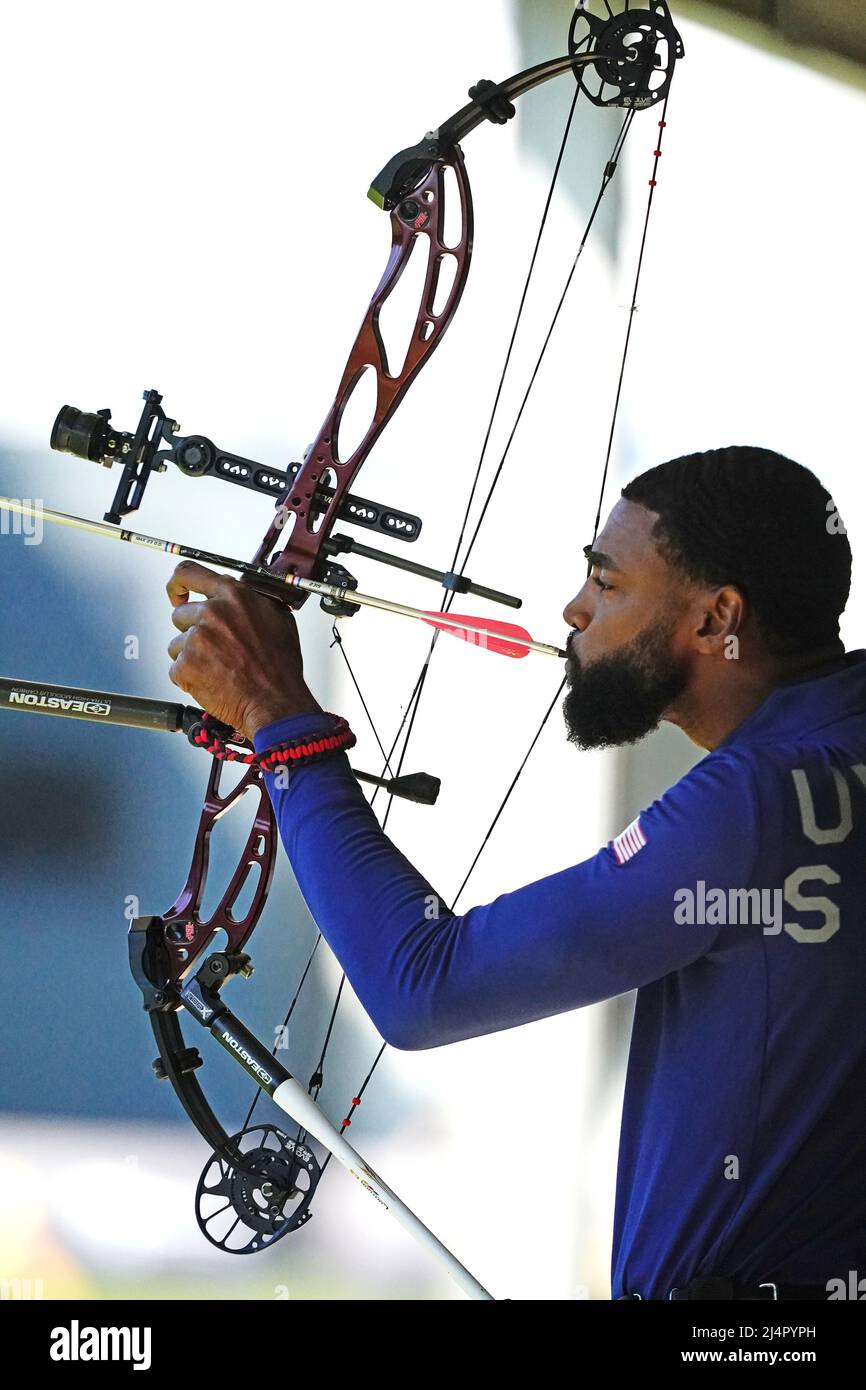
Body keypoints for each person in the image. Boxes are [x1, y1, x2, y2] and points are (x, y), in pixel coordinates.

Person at [165, 445, 865, 1301]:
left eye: (607, 584)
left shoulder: (755, 804)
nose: (573, 608)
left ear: (719, 619)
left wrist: (278, 714)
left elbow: (422, 984)